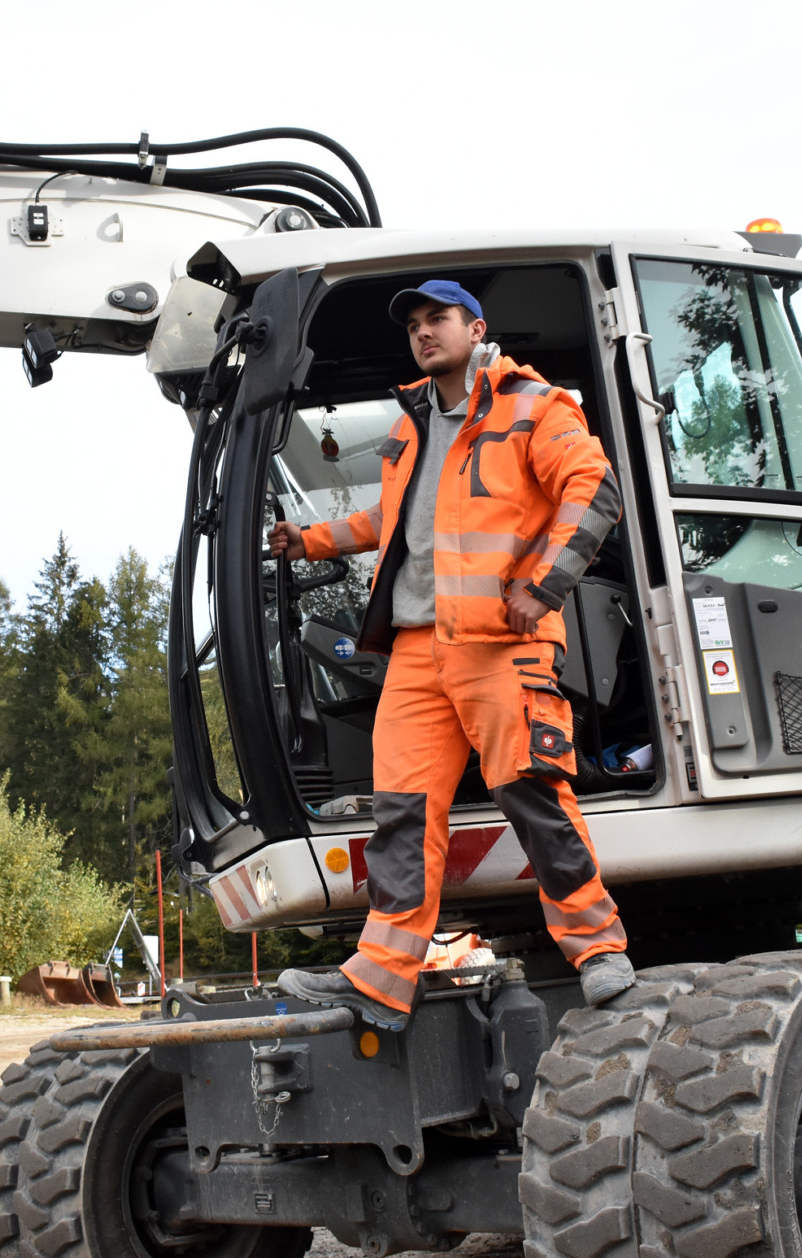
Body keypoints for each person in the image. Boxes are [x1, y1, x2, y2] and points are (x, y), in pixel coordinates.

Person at [273, 279, 634, 1032]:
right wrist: (306, 541)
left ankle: (597, 949)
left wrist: (544, 586)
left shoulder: (534, 405)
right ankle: (383, 978)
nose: (422, 332)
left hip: (501, 644)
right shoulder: (412, 425)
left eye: (437, 318)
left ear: (477, 328)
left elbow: (593, 488)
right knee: (401, 816)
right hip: (415, 649)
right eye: (413, 324)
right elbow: (391, 519)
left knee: (533, 794)